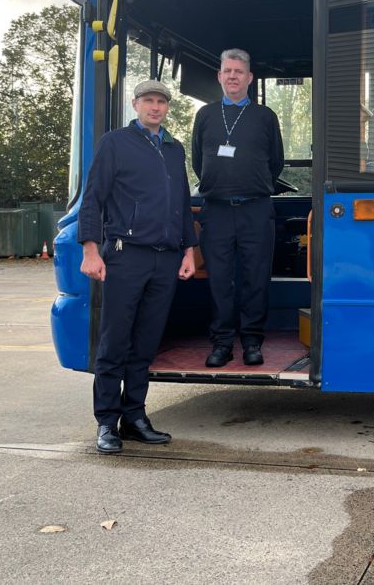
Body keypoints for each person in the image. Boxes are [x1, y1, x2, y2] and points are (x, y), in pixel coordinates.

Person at [77, 79, 197, 454]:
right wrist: (90, 249)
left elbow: (182, 203)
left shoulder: (174, 149)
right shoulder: (114, 143)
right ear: (135, 104)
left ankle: (134, 417)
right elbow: (93, 198)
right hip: (125, 254)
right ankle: (106, 422)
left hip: (166, 258)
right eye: (148, 101)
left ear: (167, 107)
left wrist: (189, 251)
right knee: (115, 340)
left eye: (161, 101)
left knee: (146, 342)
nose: (155, 107)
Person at [192, 48, 284, 368]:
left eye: (239, 71)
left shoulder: (265, 116)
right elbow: (198, 161)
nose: (233, 76)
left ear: (249, 77)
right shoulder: (205, 115)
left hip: (255, 208)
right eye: (228, 71)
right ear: (219, 76)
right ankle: (221, 344)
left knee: (255, 279)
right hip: (216, 209)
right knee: (219, 280)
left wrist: (250, 184)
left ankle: (252, 342)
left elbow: (275, 163)